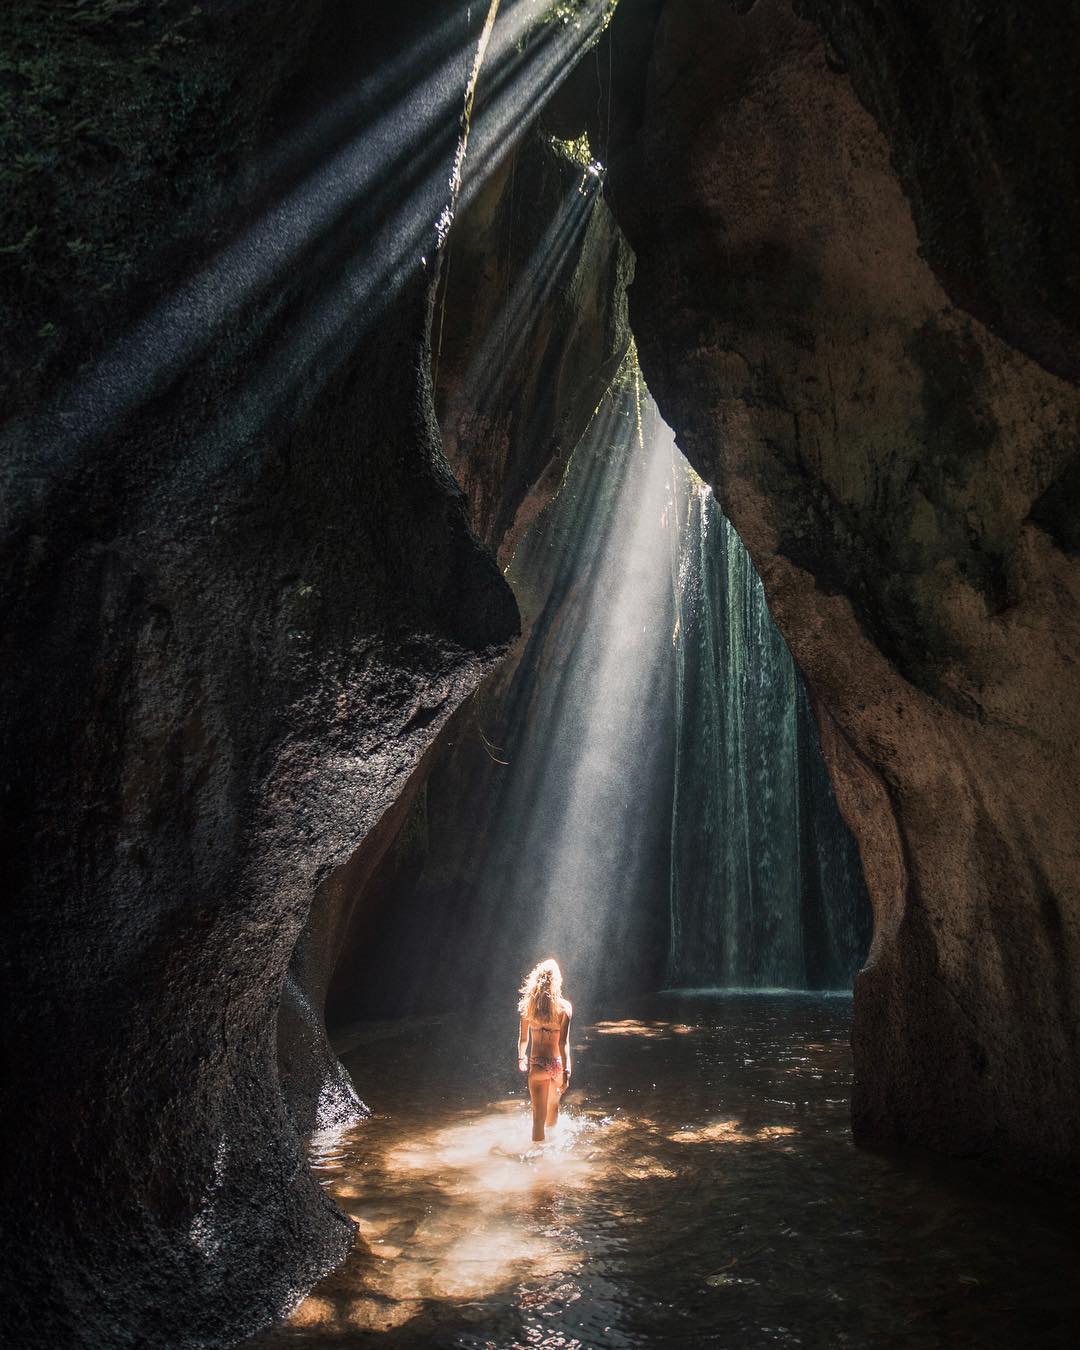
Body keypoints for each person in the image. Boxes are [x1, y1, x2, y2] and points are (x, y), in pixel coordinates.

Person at [517, 957, 572, 1143]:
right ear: (557, 981)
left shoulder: (528, 1007)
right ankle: (552, 1151)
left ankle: (538, 1159)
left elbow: (523, 1039)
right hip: (556, 1065)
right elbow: (563, 1043)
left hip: (538, 1064)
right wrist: (567, 1071)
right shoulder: (564, 1008)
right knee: (552, 1111)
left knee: (537, 1119)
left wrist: (520, 1058)